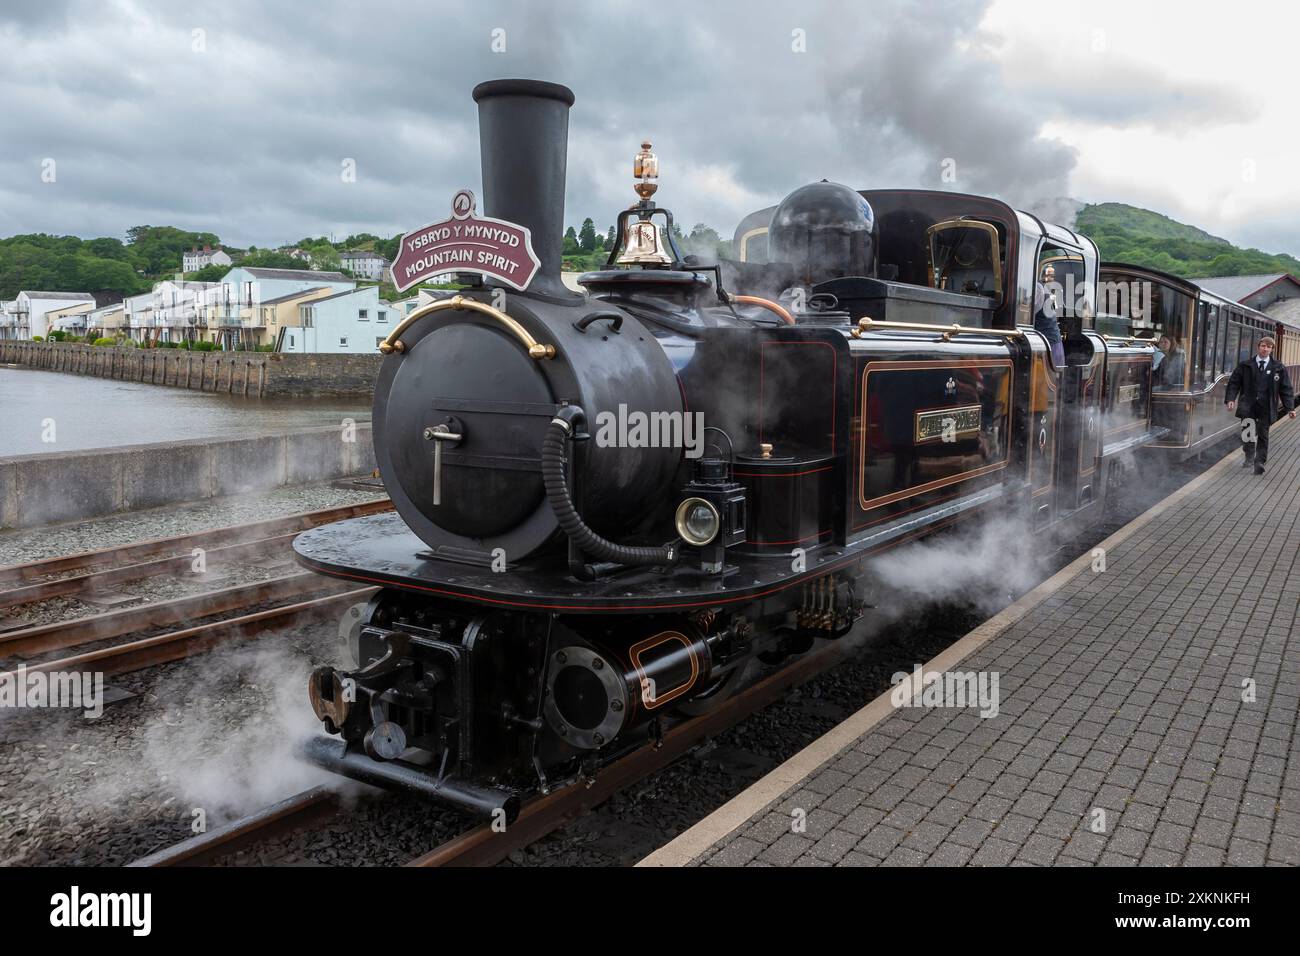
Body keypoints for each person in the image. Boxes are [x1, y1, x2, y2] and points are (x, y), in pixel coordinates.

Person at [1226, 336, 1295, 474]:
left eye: (1269, 347)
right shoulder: (1245, 365)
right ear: (1258, 347)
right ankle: (1249, 456)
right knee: (1248, 433)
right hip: (1248, 406)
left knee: (1263, 435)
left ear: (1272, 349)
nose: (1266, 349)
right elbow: (1234, 383)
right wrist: (1230, 399)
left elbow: (1286, 389)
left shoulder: (1278, 368)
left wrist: (1290, 408)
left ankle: (1259, 462)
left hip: (1266, 407)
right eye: (1263, 346)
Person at [1033, 264, 1065, 367]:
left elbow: (1027, 313)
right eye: (1049, 275)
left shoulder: (1038, 288)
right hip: (1051, 339)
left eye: (1052, 276)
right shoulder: (1047, 290)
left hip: (1048, 342)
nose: (1050, 278)